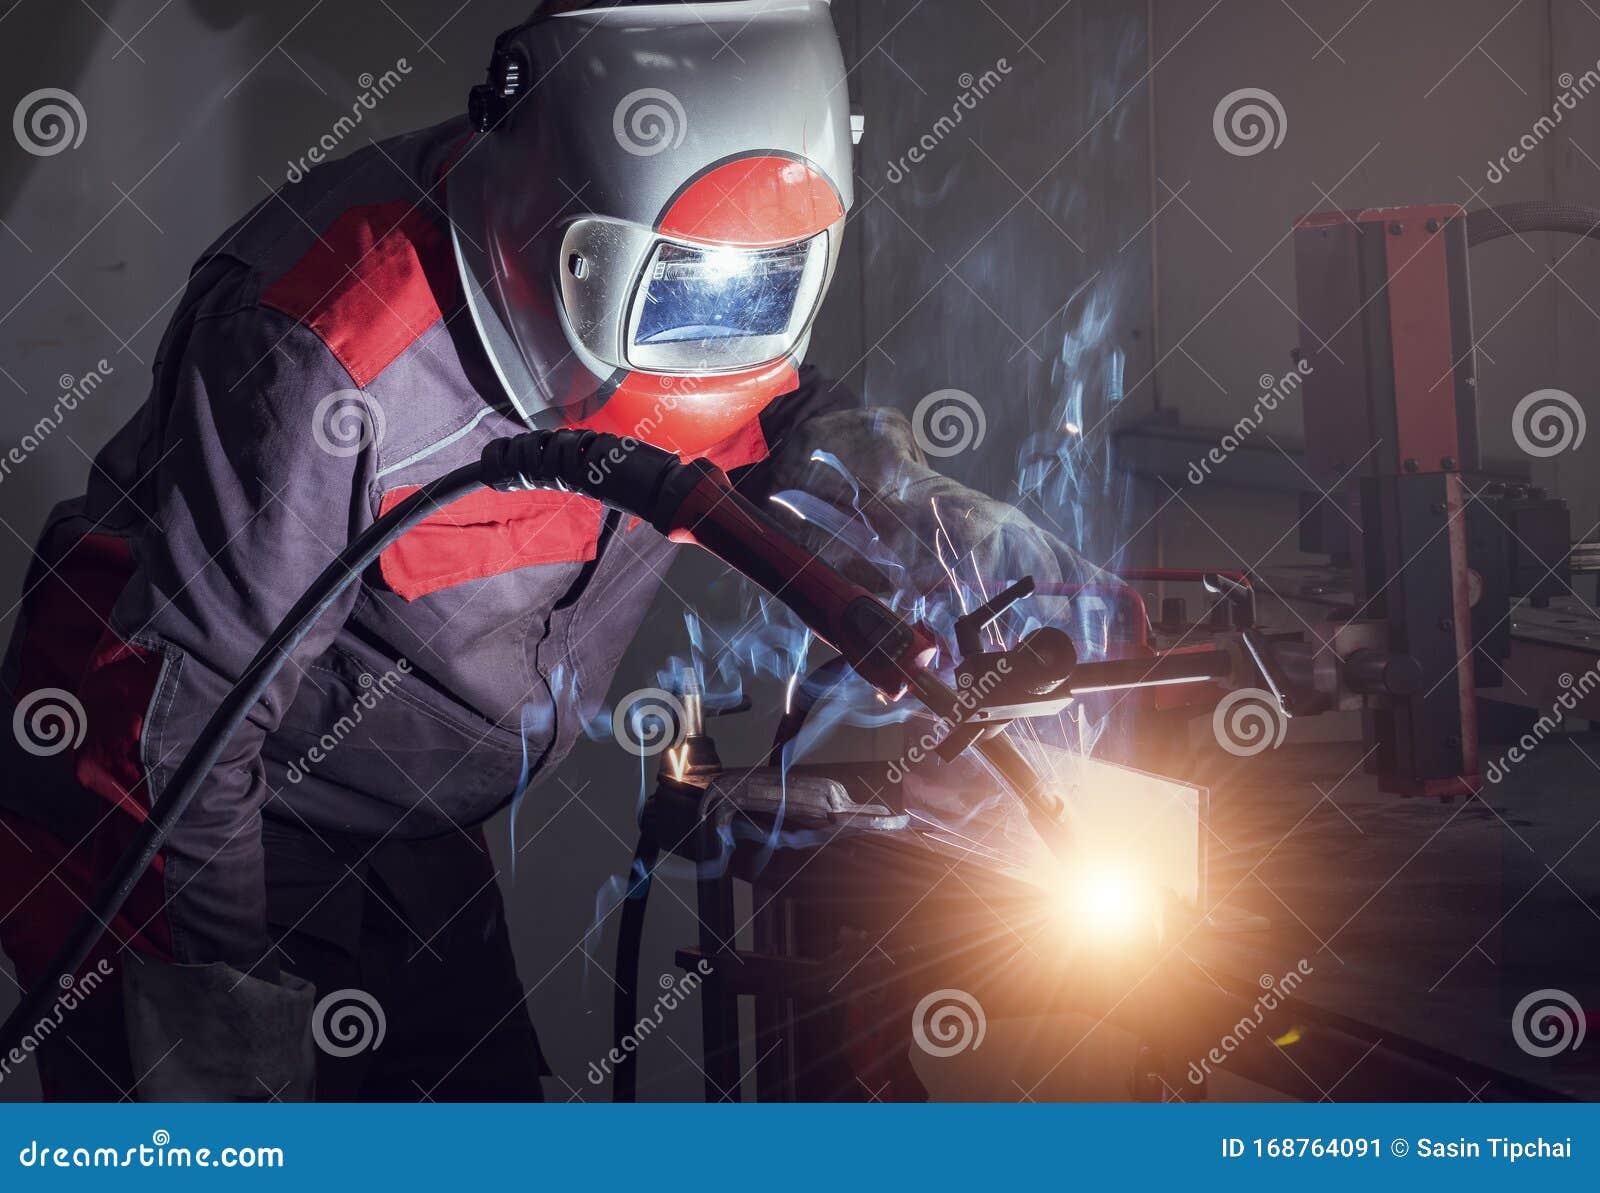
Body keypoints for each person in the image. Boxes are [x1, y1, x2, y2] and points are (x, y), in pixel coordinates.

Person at [0, 0, 1089, 1101]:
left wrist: (904, 492)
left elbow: (763, 401)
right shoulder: (324, 349)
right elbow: (180, 731)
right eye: (680, 288)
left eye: (751, 287)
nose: (713, 331)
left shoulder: (685, 288)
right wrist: (220, 1032)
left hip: (400, 813)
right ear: (565, 236)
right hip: (157, 804)